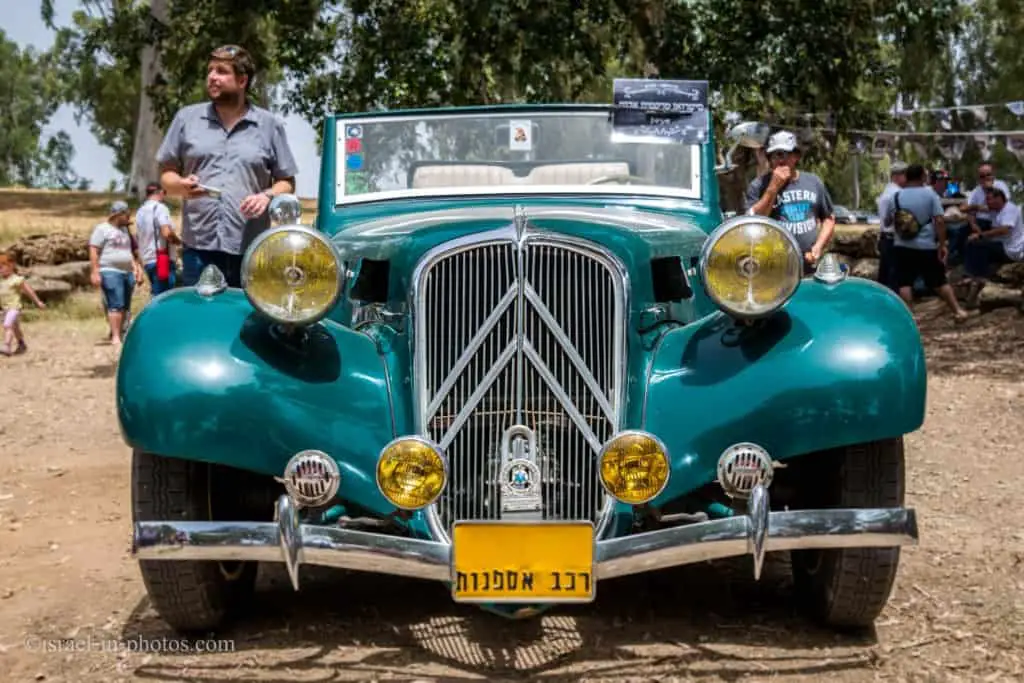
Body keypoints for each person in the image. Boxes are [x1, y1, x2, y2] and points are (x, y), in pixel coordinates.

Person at [155, 44, 298, 288]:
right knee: (202, 322)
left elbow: (287, 182)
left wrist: (267, 196)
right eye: (210, 70)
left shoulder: (269, 125)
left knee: (246, 323)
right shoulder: (186, 119)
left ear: (242, 81)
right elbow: (166, 175)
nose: (212, 77)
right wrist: (180, 185)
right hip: (199, 250)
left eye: (221, 71)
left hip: (251, 252)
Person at [744, 130, 836, 274]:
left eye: (785, 154)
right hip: (774, 268)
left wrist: (818, 247)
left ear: (796, 156)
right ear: (769, 159)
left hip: (808, 266)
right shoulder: (759, 186)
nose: (780, 160)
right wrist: (773, 187)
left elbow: (828, 219)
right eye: (775, 155)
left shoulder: (813, 182)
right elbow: (754, 222)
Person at [885, 164, 968, 321]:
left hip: (902, 246)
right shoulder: (930, 196)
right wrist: (942, 245)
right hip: (926, 246)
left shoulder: (895, 197)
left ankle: (909, 316)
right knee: (939, 281)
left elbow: (888, 221)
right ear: (923, 177)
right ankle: (957, 311)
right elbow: (939, 221)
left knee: (904, 283)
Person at [89, 201, 144, 348]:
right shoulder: (102, 229)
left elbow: (130, 253)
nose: (129, 218)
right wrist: (95, 271)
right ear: (118, 215)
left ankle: (123, 333)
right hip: (110, 270)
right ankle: (115, 337)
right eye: (127, 215)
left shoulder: (125, 231)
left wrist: (137, 269)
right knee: (116, 303)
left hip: (127, 272)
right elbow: (94, 250)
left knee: (125, 305)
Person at [962, 186, 1024, 308]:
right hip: (1001, 245)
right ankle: (974, 276)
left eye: (989, 200)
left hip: (1011, 249)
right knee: (971, 242)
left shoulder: (1009, 209)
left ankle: (977, 277)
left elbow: (1004, 230)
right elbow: (977, 208)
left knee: (976, 244)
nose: (987, 203)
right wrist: (971, 215)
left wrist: (981, 235)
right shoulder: (996, 209)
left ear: (999, 199)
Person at [135, 181, 181, 295]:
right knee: (165, 297)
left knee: (156, 294)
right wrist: (178, 241)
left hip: (147, 259)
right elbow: (166, 233)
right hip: (162, 259)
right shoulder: (160, 208)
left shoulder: (140, 211)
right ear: (160, 192)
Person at [0, 253, 46, 355]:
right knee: (15, 329)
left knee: (7, 325)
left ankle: (7, 346)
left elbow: (29, 291)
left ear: (11, 266)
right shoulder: (1, 281)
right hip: (5, 309)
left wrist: (38, 302)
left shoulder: (17, 279)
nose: (0, 269)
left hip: (14, 308)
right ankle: (21, 344)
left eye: (2, 267)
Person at [875, 161, 908, 291]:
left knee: (885, 278)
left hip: (887, 239)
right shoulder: (896, 194)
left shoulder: (888, 192)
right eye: (906, 175)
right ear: (897, 176)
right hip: (894, 239)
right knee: (895, 280)